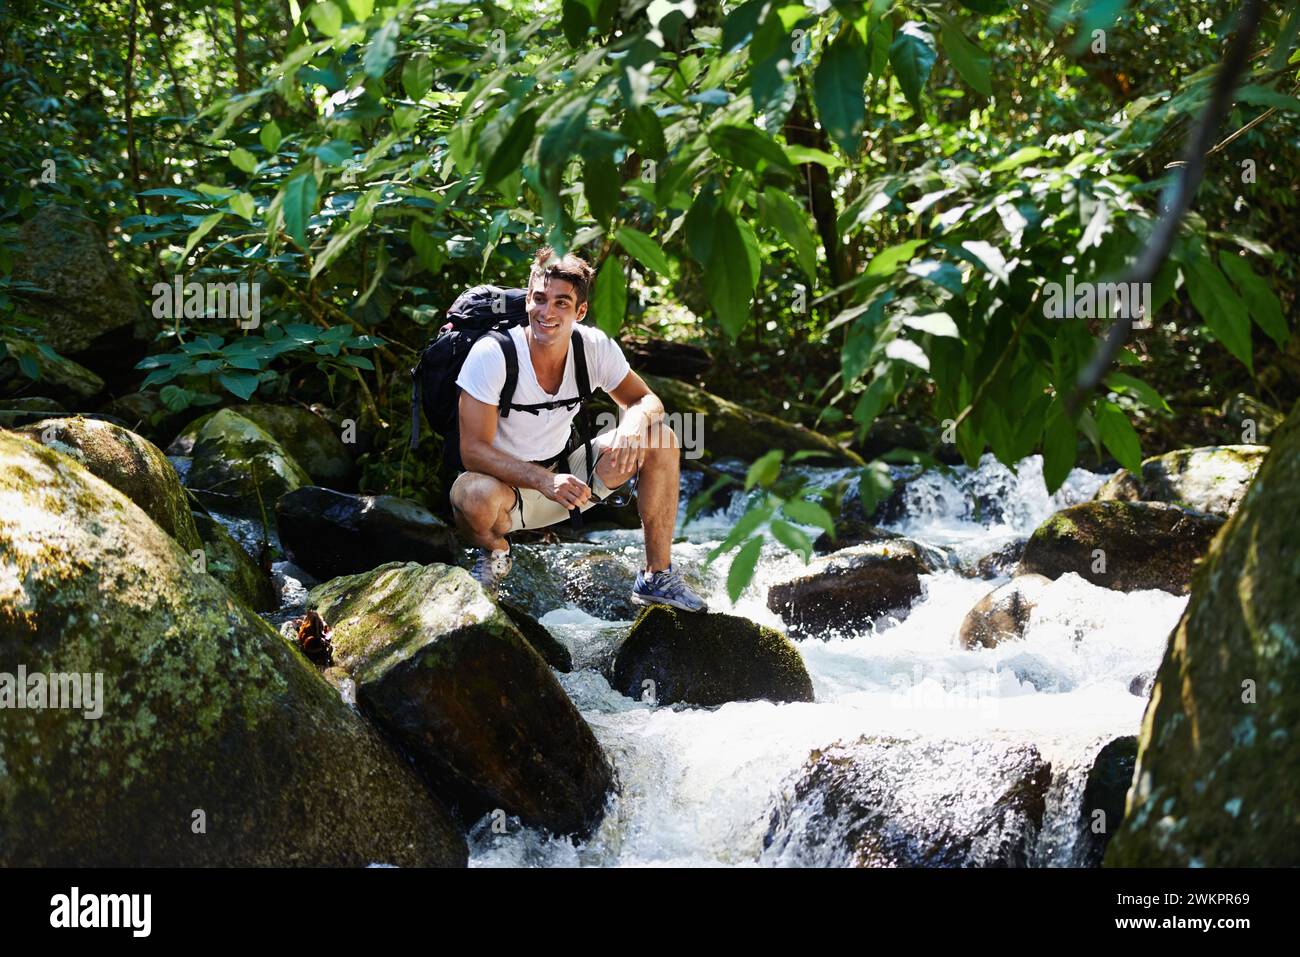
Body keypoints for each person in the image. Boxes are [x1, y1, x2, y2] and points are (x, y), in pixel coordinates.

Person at [449, 246, 708, 613]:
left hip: (570, 483)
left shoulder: (593, 347)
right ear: (527, 300)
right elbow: (472, 450)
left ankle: (656, 575)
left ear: (580, 311)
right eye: (539, 299)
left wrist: (632, 425)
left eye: (561, 303)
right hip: (504, 492)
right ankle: (495, 553)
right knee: (469, 493)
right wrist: (542, 481)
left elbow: (648, 401)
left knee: (660, 437)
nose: (547, 313)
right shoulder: (493, 355)